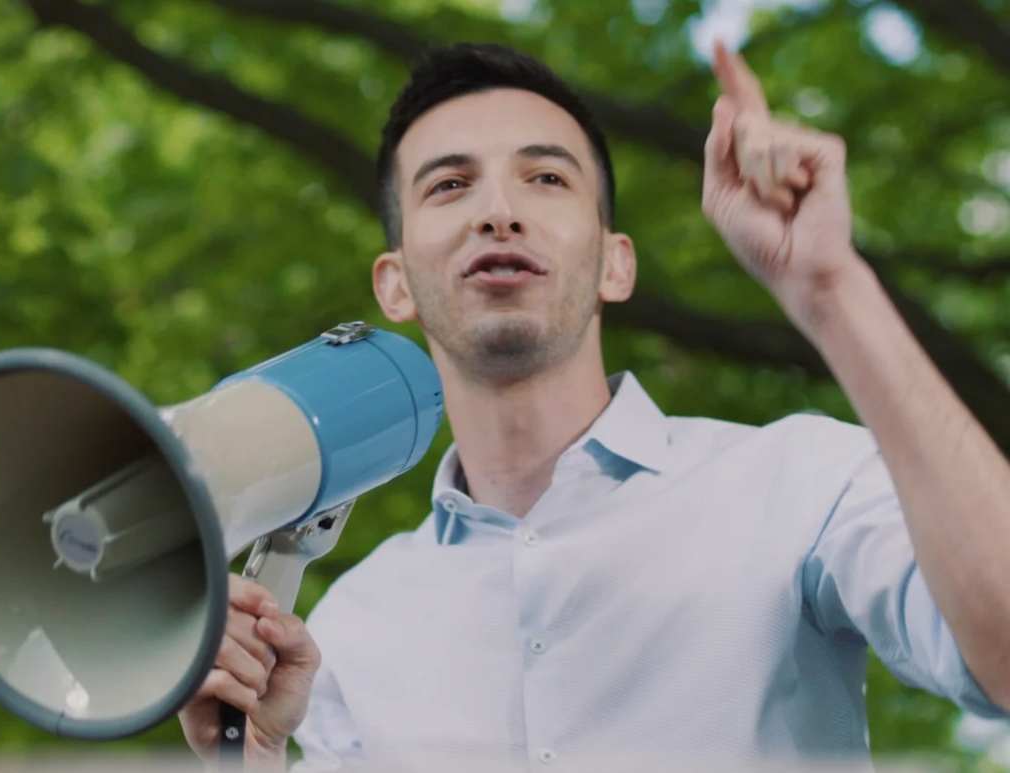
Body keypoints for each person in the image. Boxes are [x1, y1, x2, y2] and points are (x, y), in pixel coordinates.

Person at [178, 41, 1010, 772]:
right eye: (449, 185)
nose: (498, 210)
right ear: (393, 283)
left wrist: (830, 288)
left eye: (544, 177)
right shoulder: (350, 631)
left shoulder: (799, 481)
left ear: (617, 265)